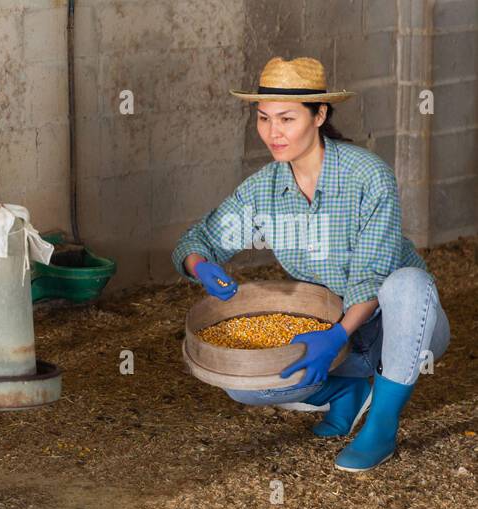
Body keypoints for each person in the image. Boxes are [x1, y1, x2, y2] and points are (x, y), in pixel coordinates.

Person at [173, 57, 449, 472]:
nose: (273, 132)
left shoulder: (367, 175)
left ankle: (381, 426)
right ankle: (346, 394)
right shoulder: (264, 189)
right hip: (333, 338)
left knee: (407, 282)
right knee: (242, 388)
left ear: (319, 115)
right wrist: (199, 265)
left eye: (286, 118)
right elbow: (199, 239)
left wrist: (338, 334)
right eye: (263, 118)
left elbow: (373, 274)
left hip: (404, 329)